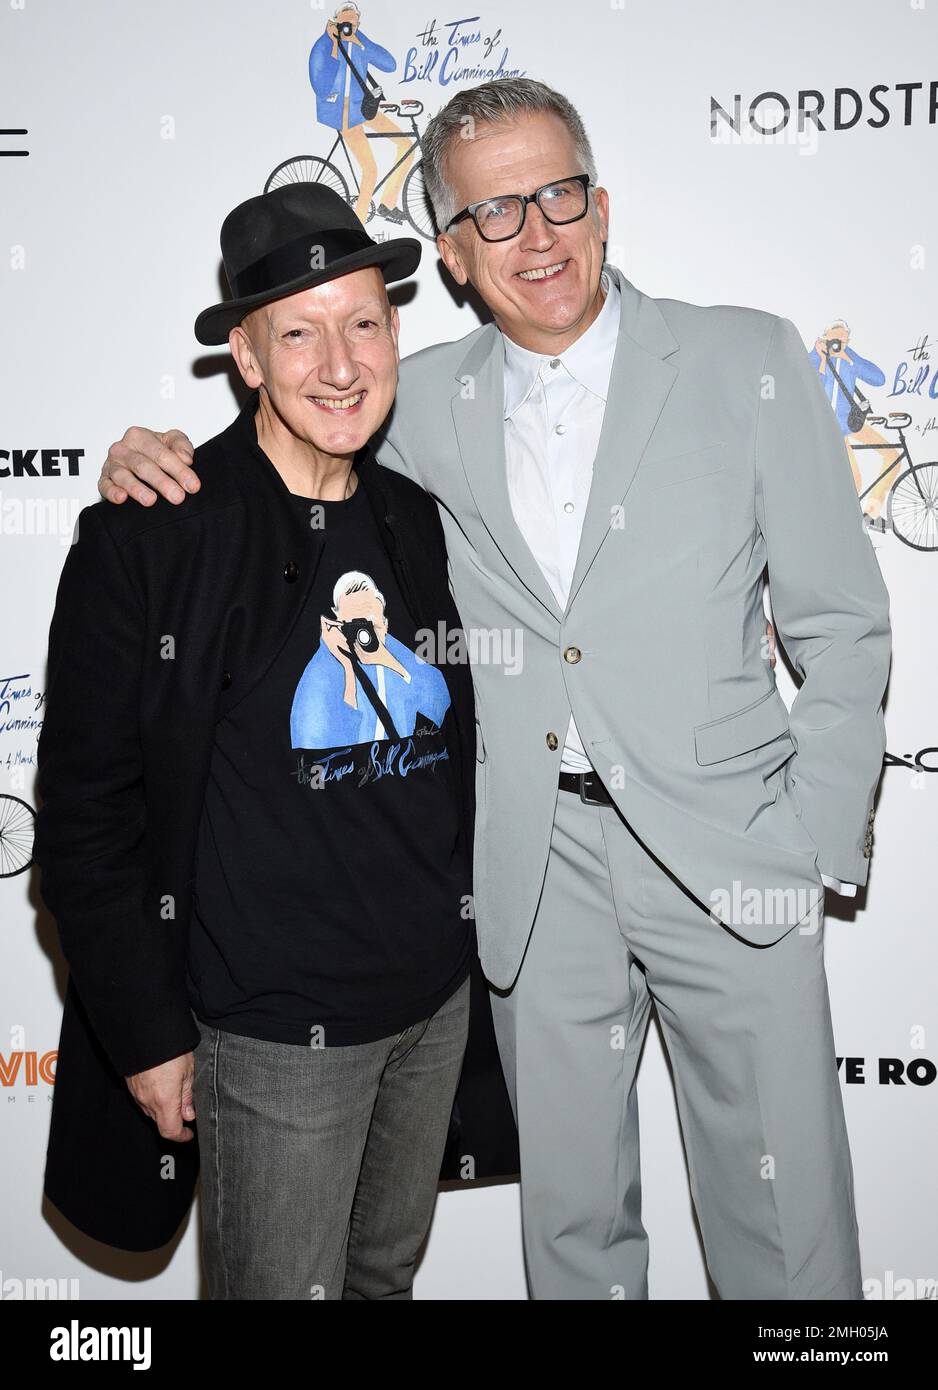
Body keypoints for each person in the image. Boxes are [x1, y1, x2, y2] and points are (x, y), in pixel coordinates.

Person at [98, 77, 890, 1301]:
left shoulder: (747, 358)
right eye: (496, 213)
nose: (538, 235)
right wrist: (153, 457)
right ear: (456, 256)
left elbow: (840, 624)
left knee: (785, 1230)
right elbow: (293, 418)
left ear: (602, 204)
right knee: (570, 1232)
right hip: (531, 880)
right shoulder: (412, 403)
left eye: (558, 194)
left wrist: (809, 842)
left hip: (735, 858)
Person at [35, 182, 518, 1299]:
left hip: (429, 1011)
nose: (338, 362)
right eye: (297, 333)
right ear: (246, 359)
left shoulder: (415, 520)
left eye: (362, 321)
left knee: (380, 1282)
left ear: (397, 328)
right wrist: (149, 1035)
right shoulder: (151, 537)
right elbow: (90, 821)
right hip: (268, 1040)